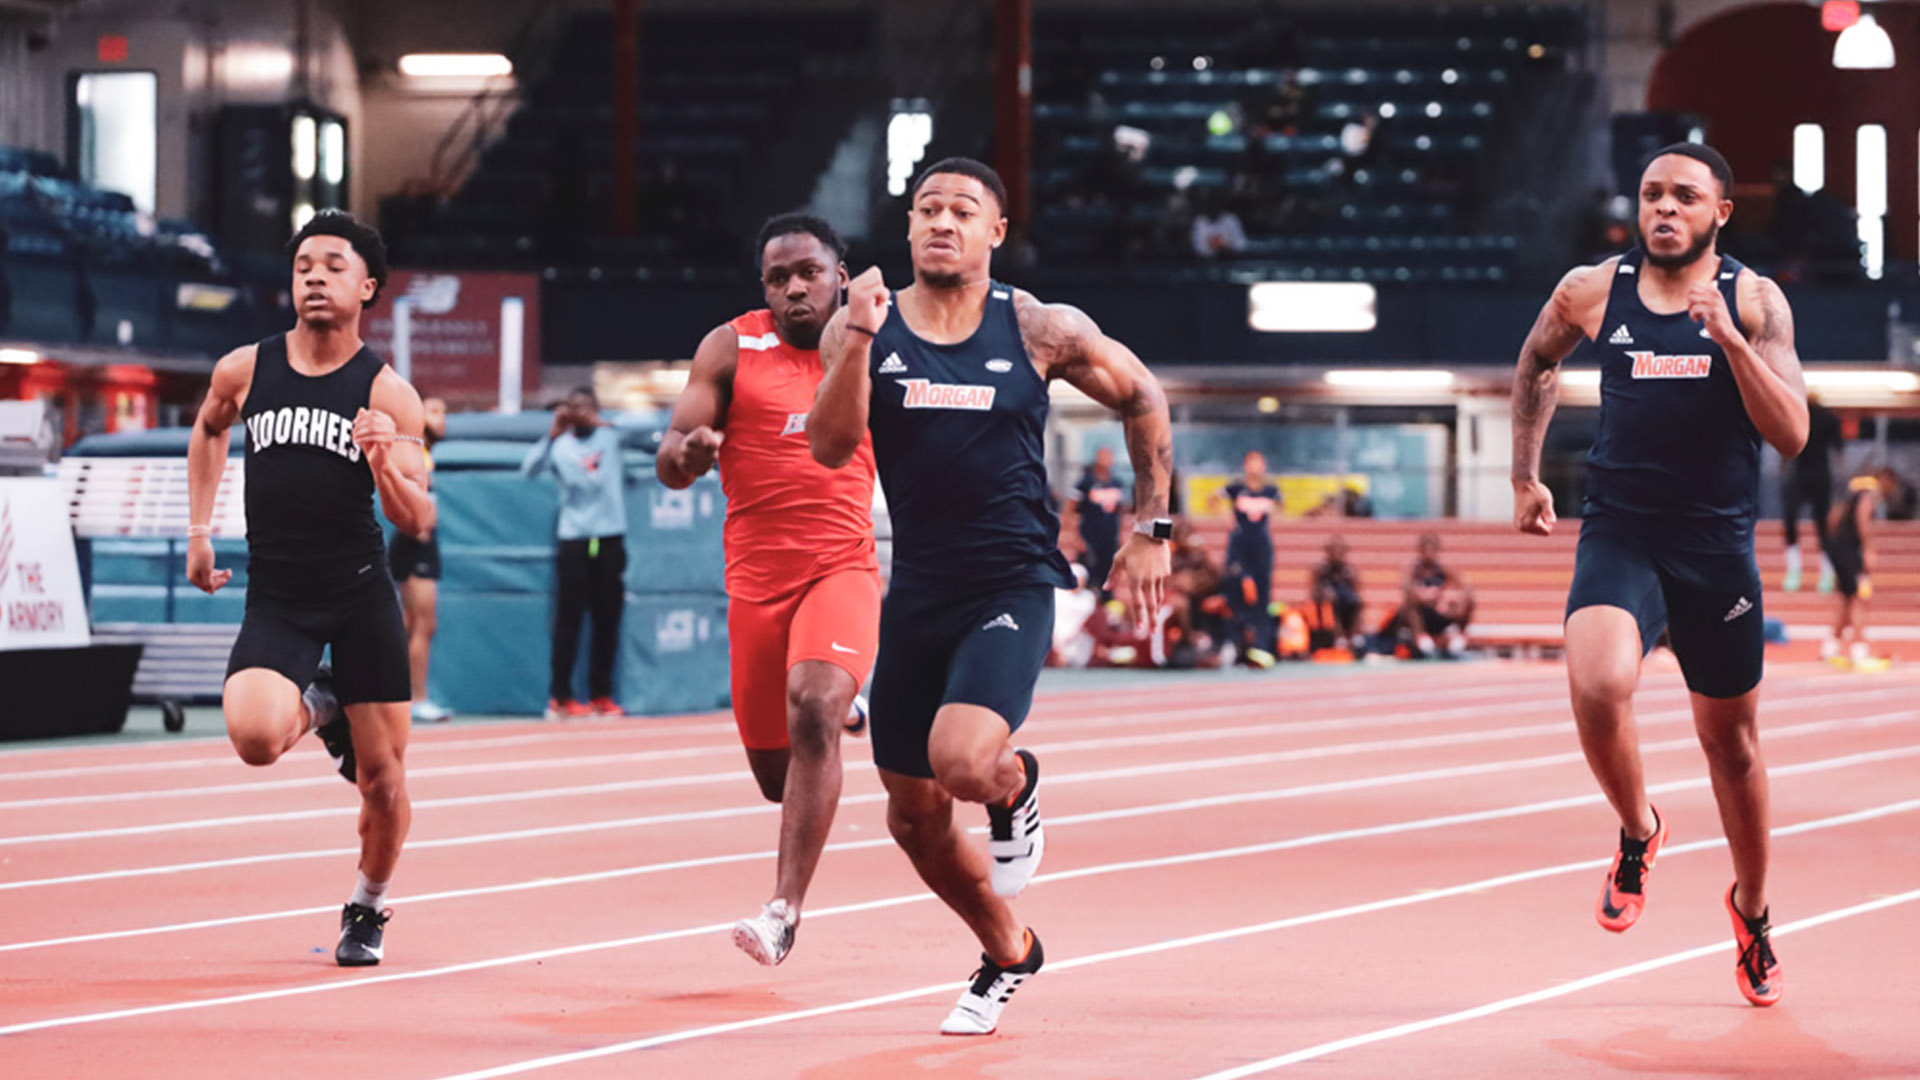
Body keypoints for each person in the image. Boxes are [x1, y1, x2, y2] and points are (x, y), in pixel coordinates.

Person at [810, 157, 1172, 1035]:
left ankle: (1014, 785)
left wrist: (1151, 529)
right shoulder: (864, 325)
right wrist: (856, 336)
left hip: (1011, 581)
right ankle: (1010, 950)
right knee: (913, 816)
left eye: (963, 210)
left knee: (964, 760)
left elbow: (1143, 395)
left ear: (994, 232)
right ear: (907, 227)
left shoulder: (1040, 328)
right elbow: (829, 448)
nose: (942, 220)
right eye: (926, 207)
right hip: (921, 591)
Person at [1510, 143, 1807, 1007]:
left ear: (1720, 213)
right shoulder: (1592, 290)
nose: (1664, 209)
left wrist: (1730, 345)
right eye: (1651, 195)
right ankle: (1639, 829)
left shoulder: (1754, 300)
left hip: (1716, 550)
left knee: (1732, 746)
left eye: (1685, 196)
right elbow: (1536, 362)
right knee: (1597, 683)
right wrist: (1526, 474)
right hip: (1622, 533)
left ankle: (1752, 910)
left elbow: (1790, 434)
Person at [186, 210, 431, 966]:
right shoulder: (246, 369)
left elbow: (417, 517)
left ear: (368, 287)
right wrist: (200, 531)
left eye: (332, 265)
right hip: (280, 596)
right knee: (255, 738)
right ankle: (322, 703)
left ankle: (368, 907)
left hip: (359, 596)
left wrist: (384, 461)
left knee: (383, 783)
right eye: (302, 266)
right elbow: (208, 428)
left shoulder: (391, 394)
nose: (315, 276)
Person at [656, 212, 879, 966]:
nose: (793, 289)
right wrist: (690, 451)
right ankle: (842, 703)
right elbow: (670, 457)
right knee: (775, 779)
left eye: (808, 273)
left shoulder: (873, 347)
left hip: (841, 568)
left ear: (839, 276)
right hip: (756, 586)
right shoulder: (730, 345)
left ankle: (783, 910)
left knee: (814, 706)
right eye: (778, 277)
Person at [521, 386, 628, 720]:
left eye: (586, 407)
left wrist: (603, 421)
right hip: (575, 540)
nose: (579, 412)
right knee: (568, 621)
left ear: (595, 409)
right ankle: (561, 696)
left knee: (606, 619)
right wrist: (551, 434)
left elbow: (654, 434)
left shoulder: (611, 438)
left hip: (608, 537)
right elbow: (528, 470)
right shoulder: (560, 446)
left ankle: (601, 694)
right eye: (574, 407)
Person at [388, 395, 451, 722]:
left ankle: (400, 694)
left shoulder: (427, 454)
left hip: (421, 542)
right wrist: (420, 528)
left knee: (412, 624)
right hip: (415, 544)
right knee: (422, 624)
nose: (442, 419)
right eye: (435, 411)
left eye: (444, 412)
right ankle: (417, 698)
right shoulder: (414, 454)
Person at [1821, 469, 1895, 665]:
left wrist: (1834, 543)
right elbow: (1863, 517)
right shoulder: (1868, 494)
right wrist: (1868, 549)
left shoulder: (1848, 492)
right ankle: (1859, 647)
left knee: (1846, 597)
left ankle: (1832, 645)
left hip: (1836, 547)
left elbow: (1832, 518)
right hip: (1850, 550)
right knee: (1858, 598)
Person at [1211, 452, 1279, 656]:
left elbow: (1280, 509)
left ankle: (1261, 645)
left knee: (1262, 596)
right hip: (1239, 546)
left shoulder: (1271, 490)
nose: (1255, 468)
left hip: (1261, 547)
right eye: (1251, 463)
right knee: (1235, 590)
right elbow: (1213, 497)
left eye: (1259, 463)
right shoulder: (1236, 488)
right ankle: (1233, 642)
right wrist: (1226, 518)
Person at [1780, 394, 1842, 592]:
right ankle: (1812, 571)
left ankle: (1820, 572)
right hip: (1814, 473)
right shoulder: (1825, 417)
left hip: (1809, 472)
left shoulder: (1807, 415)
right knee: (1817, 523)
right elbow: (1839, 451)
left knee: (1810, 522)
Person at [1393, 532, 1473, 658]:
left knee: (1469, 599)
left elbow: (1466, 586)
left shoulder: (1444, 568)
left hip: (1439, 611)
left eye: (1432, 548)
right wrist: (1422, 595)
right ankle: (1421, 637)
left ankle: (1460, 637)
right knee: (1410, 605)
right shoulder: (1412, 568)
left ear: (1437, 550)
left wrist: (1451, 598)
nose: (1428, 552)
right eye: (1425, 548)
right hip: (1419, 616)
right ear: (1419, 550)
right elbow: (1406, 589)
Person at [1073, 446, 1127, 598]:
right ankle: (1087, 606)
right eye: (1103, 456)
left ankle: (1106, 606)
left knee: (1108, 573)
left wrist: (1121, 534)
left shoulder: (1117, 483)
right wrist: (1077, 538)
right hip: (1089, 536)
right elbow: (1071, 510)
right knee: (1089, 573)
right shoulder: (1085, 483)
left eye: (1109, 456)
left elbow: (1120, 511)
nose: (1107, 460)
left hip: (1109, 537)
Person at [1308, 535, 1363, 649]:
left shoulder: (1349, 570)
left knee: (1357, 601)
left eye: (1340, 550)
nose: (1337, 553)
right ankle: (1339, 637)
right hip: (1325, 606)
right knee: (1331, 600)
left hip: (1346, 605)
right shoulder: (1320, 569)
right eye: (1334, 550)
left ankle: (1355, 637)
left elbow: (1357, 590)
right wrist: (1323, 594)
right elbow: (1313, 592)